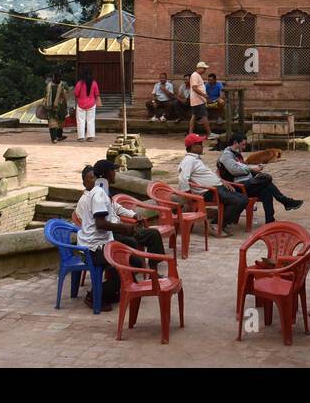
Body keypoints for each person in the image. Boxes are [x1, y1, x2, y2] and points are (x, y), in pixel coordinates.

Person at [76, 160, 166, 308]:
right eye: (113, 170)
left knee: (134, 259)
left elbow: (109, 214)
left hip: (101, 243)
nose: (115, 173)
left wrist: (129, 223)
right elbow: (101, 224)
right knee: (129, 261)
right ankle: (94, 296)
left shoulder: (101, 191)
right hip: (93, 249)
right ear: (106, 174)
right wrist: (124, 228)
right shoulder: (98, 195)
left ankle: (118, 289)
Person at [218, 135, 303, 224]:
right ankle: (285, 201)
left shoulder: (235, 153)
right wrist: (251, 169)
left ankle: (270, 220)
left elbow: (242, 167)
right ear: (235, 143)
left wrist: (254, 169)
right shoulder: (226, 155)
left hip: (246, 183)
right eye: (242, 145)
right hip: (237, 186)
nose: (244, 147)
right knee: (265, 178)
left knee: (266, 191)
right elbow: (234, 170)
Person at [178, 133, 246, 237]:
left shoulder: (196, 159)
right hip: (208, 192)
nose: (202, 146)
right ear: (192, 147)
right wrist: (189, 197)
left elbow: (208, 175)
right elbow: (183, 179)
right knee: (238, 201)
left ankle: (222, 223)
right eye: (199, 144)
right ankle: (216, 224)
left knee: (244, 199)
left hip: (217, 188)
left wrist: (222, 181)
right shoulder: (188, 160)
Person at [73, 68, 101, 142]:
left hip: (81, 104)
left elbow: (76, 93)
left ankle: (81, 137)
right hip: (91, 104)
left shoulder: (80, 83)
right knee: (91, 120)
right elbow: (97, 93)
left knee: (80, 121)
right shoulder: (94, 83)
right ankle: (90, 136)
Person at [43, 71, 69, 143]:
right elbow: (45, 95)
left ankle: (59, 136)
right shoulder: (49, 85)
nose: (58, 79)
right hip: (50, 107)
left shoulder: (64, 84)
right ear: (53, 78)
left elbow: (67, 93)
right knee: (52, 123)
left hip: (61, 107)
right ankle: (54, 138)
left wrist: (63, 94)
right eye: (56, 77)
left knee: (61, 123)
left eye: (59, 78)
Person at [186, 61, 210, 136]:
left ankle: (190, 133)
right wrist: (204, 95)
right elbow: (194, 87)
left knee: (194, 116)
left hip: (197, 100)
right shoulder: (195, 75)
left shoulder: (196, 75)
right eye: (204, 68)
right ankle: (209, 133)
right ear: (199, 68)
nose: (205, 70)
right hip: (198, 100)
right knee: (204, 116)